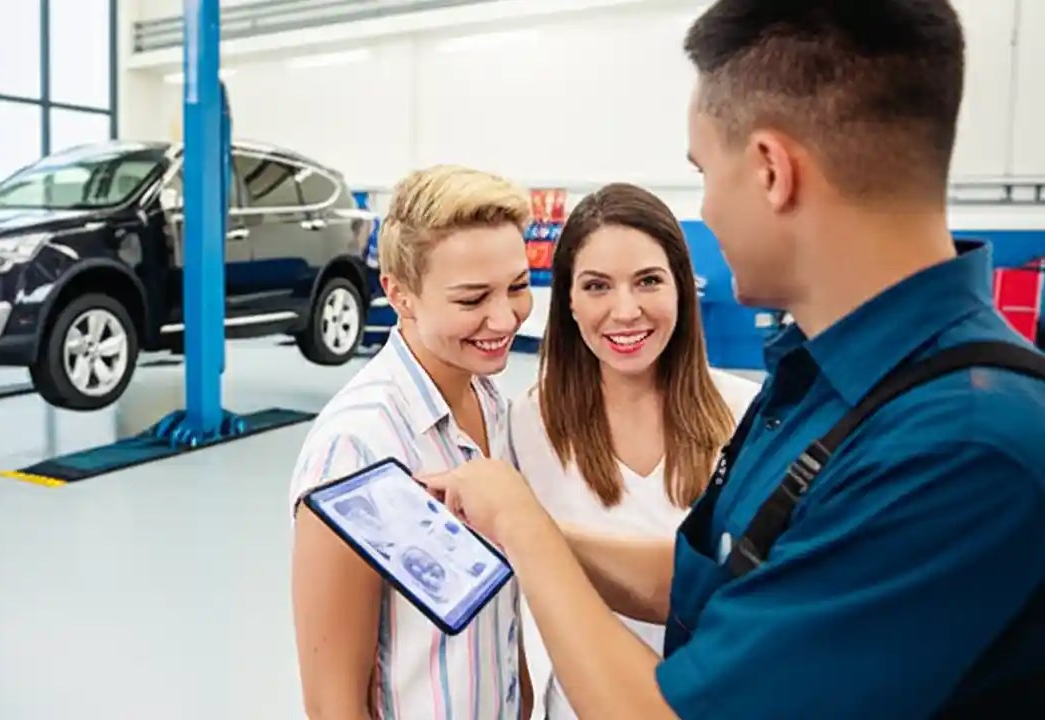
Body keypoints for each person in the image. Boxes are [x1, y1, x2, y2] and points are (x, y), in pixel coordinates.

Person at [421, 1, 1045, 718]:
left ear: (771, 170)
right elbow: (704, 582)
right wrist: (524, 522)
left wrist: (527, 534)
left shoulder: (959, 447)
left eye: (705, 172)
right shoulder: (824, 390)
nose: (708, 212)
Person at [289, 164, 535, 719]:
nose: (504, 317)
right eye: (473, 300)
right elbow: (333, 700)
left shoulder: (493, 405)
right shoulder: (358, 446)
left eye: (517, 287)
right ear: (399, 294)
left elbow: (496, 607)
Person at [508, 182, 759, 718]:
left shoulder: (749, 417)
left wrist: (531, 532)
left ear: (681, 290)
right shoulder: (525, 427)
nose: (626, 311)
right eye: (597, 286)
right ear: (568, 300)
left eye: (648, 281)